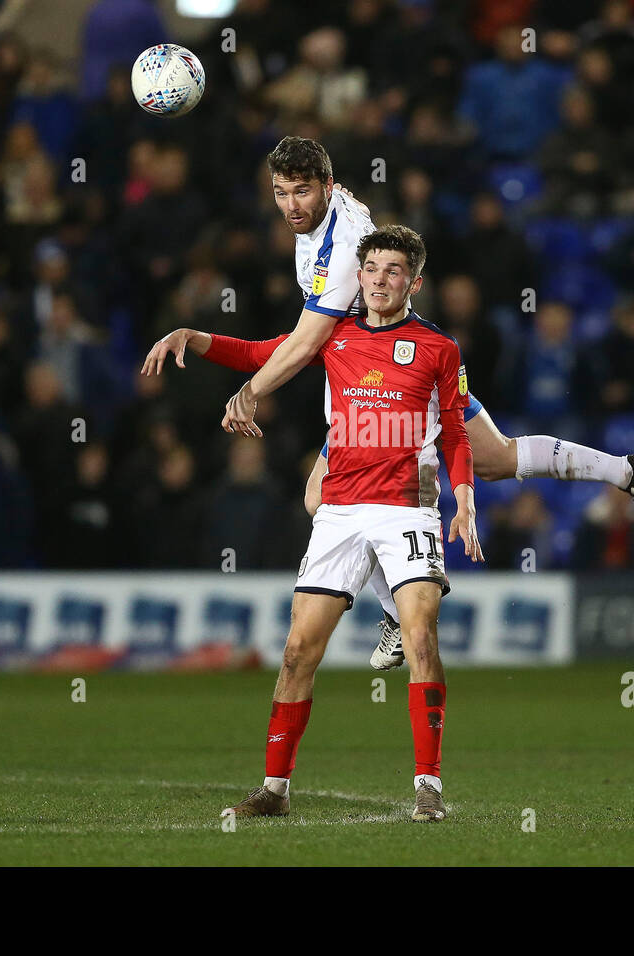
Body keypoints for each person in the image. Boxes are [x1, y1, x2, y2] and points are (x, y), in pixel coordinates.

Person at [143, 136, 634, 670]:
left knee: (320, 496)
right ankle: (627, 470)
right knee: (497, 458)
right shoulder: (325, 218)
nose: (290, 206)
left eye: (301, 192)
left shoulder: (340, 245)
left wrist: (250, 391)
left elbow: (305, 344)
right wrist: (199, 337)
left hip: (387, 379)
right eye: (281, 193)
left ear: (326, 187)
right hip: (401, 361)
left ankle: (394, 616)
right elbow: (298, 340)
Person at [221, 225, 481, 822]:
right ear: (357, 277)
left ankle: (429, 787)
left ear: (414, 281)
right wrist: (200, 338)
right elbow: (266, 354)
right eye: (371, 269)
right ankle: (274, 790)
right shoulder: (332, 335)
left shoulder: (439, 348)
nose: (379, 280)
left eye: (393, 271)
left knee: (420, 637)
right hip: (340, 512)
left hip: (407, 510)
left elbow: (457, 432)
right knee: (295, 654)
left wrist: (463, 497)